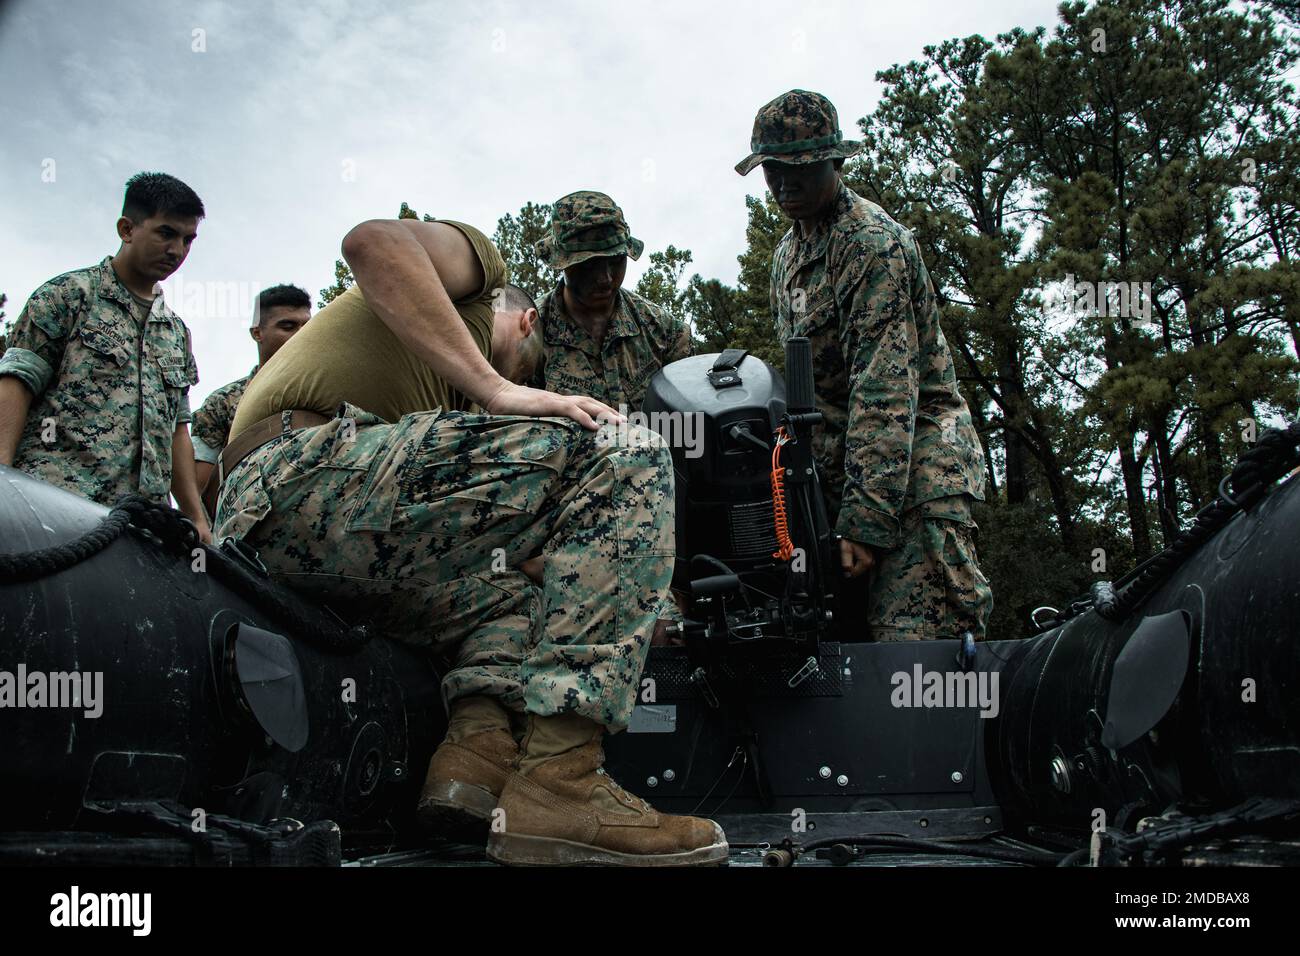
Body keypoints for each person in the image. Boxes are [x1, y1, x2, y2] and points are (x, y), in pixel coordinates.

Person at [216, 214, 726, 866]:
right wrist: (500, 387)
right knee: (624, 452)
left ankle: (474, 765)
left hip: (298, 534)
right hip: (300, 466)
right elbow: (371, 243)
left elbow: (533, 551)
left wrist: (635, 590)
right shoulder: (480, 278)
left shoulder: (436, 414)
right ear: (525, 321)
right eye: (534, 371)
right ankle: (563, 784)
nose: (533, 388)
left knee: (508, 596)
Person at [736, 89, 993, 641]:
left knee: (913, 661)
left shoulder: (872, 245)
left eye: (800, 170)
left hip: (914, 484)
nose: (784, 184)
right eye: (772, 171)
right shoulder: (788, 254)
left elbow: (885, 392)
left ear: (837, 162)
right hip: (840, 487)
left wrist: (866, 522)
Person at [0, 171, 209, 541]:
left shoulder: (175, 332)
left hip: (143, 529)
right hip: (54, 508)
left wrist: (196, 517)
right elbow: (16, 385)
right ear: (127, 229)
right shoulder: (68, 295)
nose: (177, 250)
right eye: (165, 233)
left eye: (187, 239)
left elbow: (178, 430)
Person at [530, 191, 693, 413]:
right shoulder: (528, 336)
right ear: (563, 263)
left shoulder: (664, 332)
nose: (605, 278)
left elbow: (692, 417)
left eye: (616, 261)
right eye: (589, 265)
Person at [192, 284, 312, 517]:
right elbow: (201, 487)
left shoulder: (329, 397)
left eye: (307, 326)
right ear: (257, 333)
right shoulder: (223, 403)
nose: (301, 335)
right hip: (242, 534)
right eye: (288, 326)